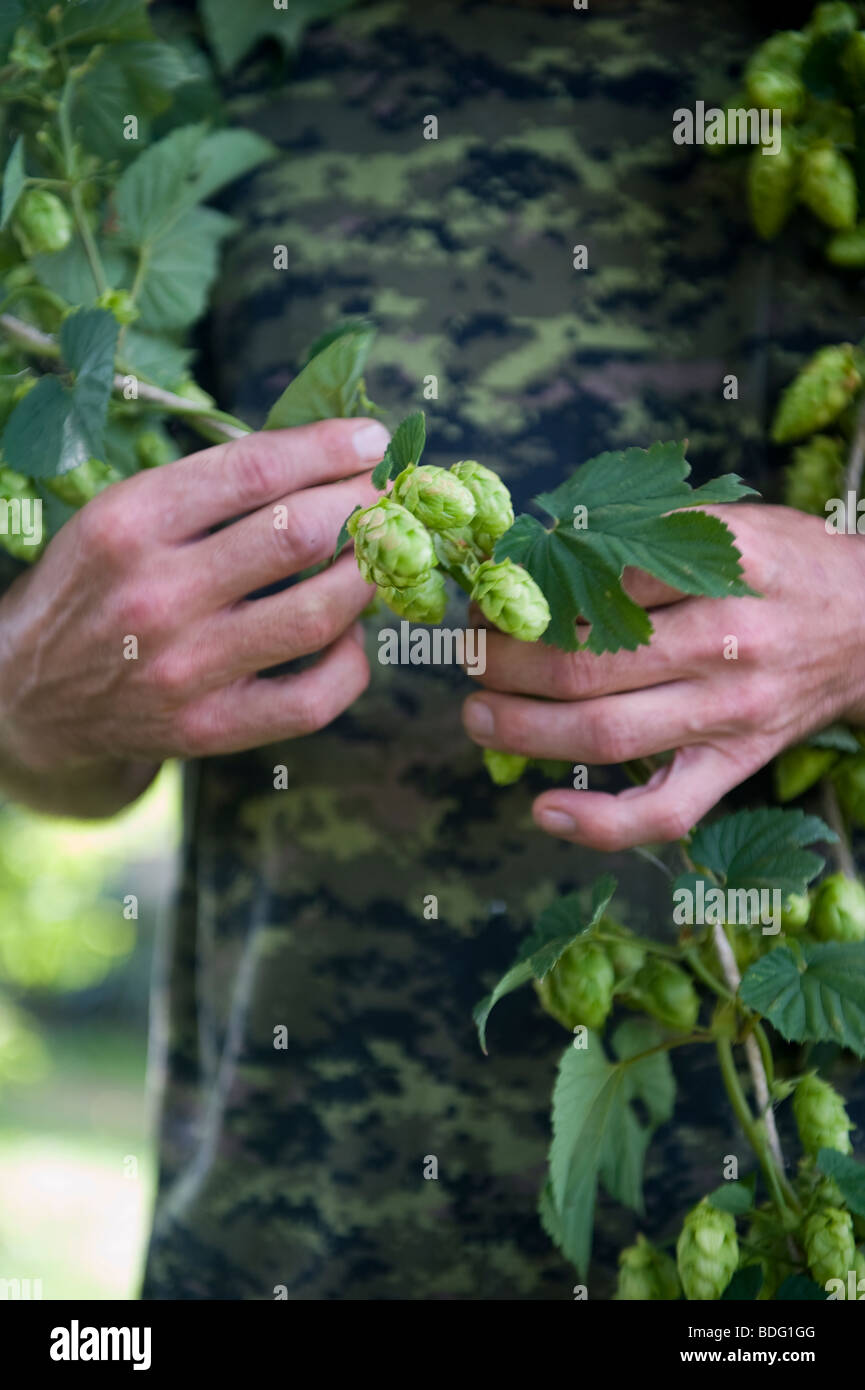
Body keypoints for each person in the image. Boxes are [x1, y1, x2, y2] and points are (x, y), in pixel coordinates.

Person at [1, 0, 863, 1299]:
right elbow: (64, 753)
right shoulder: (184, 54)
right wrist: (31, 698)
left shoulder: (825, 68)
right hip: (289, 1247)